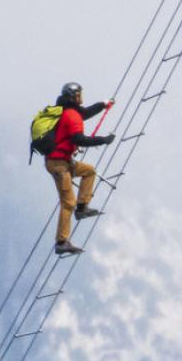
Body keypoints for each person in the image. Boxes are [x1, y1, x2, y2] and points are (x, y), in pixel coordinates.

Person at [44, 81, 115, 256]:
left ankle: (82, 208)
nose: (80, 98)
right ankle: (61, 242)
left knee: (89, 171)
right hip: (59, 164)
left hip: (63, 161)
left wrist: (103, 104)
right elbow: (79, 139)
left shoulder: (68, 111)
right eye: (78, 95)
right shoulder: (71, 115)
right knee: (68, 202)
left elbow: (85, 113)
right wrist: (103, 140)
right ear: (73, 97)